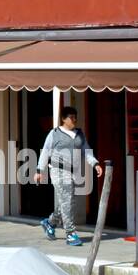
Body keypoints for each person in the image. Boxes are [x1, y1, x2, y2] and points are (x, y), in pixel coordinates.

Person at [34, 106, 102, 247]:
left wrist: (95, 164)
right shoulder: (54, 133)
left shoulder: (79, 134)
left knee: (67, 202)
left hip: (73, 172)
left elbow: (87, 151)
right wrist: (39, 170)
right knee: (67, 201)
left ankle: (50, 222)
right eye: (71, 117)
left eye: (75, 117)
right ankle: (70, 233)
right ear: (64, 119)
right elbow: (46, 151)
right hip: (58, 170)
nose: (74, 119)